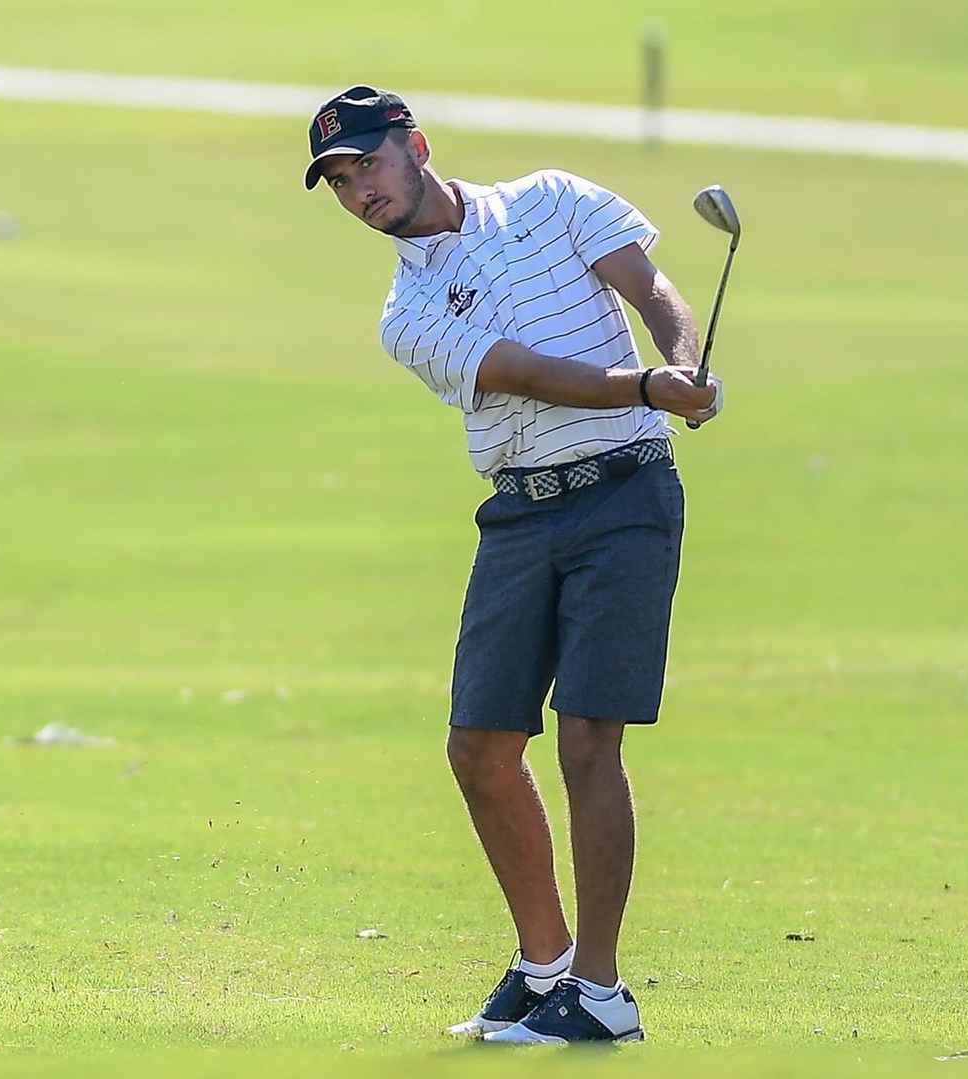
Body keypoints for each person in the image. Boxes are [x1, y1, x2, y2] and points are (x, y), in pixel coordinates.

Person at [303, 87, 723, 1043]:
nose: (360, 189)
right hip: (521, 514)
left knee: (586, 741)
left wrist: (685, 361)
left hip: (626, 497)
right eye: (339, 180)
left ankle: (604, 998)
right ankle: (547, 967)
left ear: (416, 147)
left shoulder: (551, 199)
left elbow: (649, 288)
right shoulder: (406, 312)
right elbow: (524, 373)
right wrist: (652, 386)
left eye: (368, 162)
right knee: (480, 746)